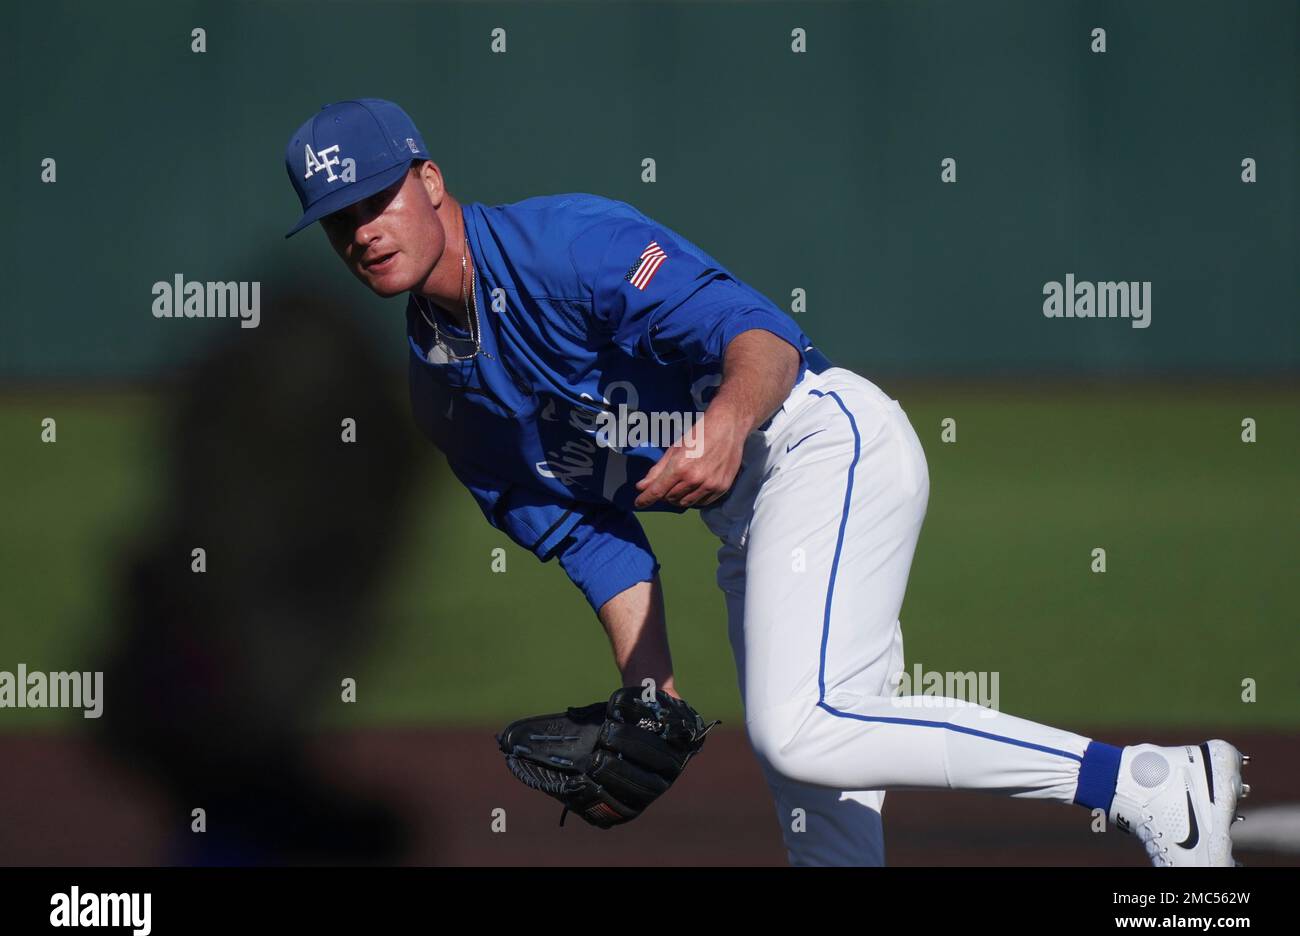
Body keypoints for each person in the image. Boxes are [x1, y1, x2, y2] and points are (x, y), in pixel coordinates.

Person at [283, 98, 1248, 866]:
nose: (362, 231)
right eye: (338, 221)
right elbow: (584, 532)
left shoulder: (569, 246)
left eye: (374, 200)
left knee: (801, 729)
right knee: (821, 820)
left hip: (823, 442)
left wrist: (723, 425)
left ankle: (1147, 784)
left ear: (431, 181)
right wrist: (649, 690)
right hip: (755, 522)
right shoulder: (444, 394)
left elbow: (762, 336)